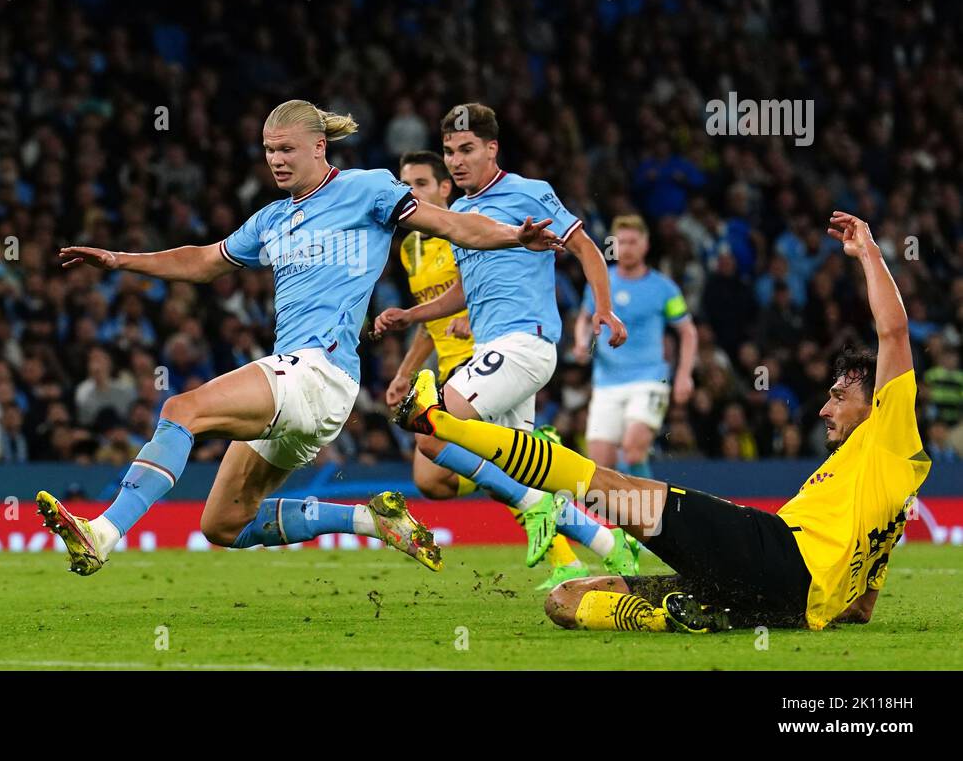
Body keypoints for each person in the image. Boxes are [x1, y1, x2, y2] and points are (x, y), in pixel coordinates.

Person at [35, 100, 562, 576]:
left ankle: (102, 532)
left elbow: (451, 225)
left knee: (180, 409)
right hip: (298, 382)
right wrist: (118, 259)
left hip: (320, 372)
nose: (276, 160)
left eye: (286, 149)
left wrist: (515, 236)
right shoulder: (271, 219)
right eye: (268, 150)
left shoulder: (367, 189)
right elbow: (201, 261)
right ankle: (368, 520)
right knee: (223, 524)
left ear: (318, 146)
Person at [394, 212, 931, 633]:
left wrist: (869, 253)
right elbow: (860, 610)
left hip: (769, 548)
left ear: (876, 403)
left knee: (603, 485)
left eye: (838, 397)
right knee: (568, 600)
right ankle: (668, 612)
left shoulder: (890, 435)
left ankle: (440, 422)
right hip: (780, 604)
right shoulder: (889, 498)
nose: (824, 409)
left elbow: (894, 333)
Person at [375, 104, 638, 589]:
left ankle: (540, 505)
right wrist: (412, 315)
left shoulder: (529, 193)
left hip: (525, 344)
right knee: (514, 471)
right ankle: (612, 545)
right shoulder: (455, 216)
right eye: (451, 151)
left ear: (492, 149)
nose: (457, 160)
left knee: (431, 431)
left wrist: (603, 306)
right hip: (496, 349)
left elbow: (583, 247)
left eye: (467, 150)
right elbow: (464, 292)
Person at [573, 214, 697, 477]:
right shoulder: (599, 282)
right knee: (600, 465)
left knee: (632, 450)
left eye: (633, 241)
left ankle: (647, 514)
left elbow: (687, 331)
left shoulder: (665, 288)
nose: (627, 248)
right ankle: (616, 518)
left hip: (649, 379)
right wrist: (582, 342)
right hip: (606, 382)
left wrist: (684, 374)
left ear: (645, 245)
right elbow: (584, 319)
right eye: (622, 242)